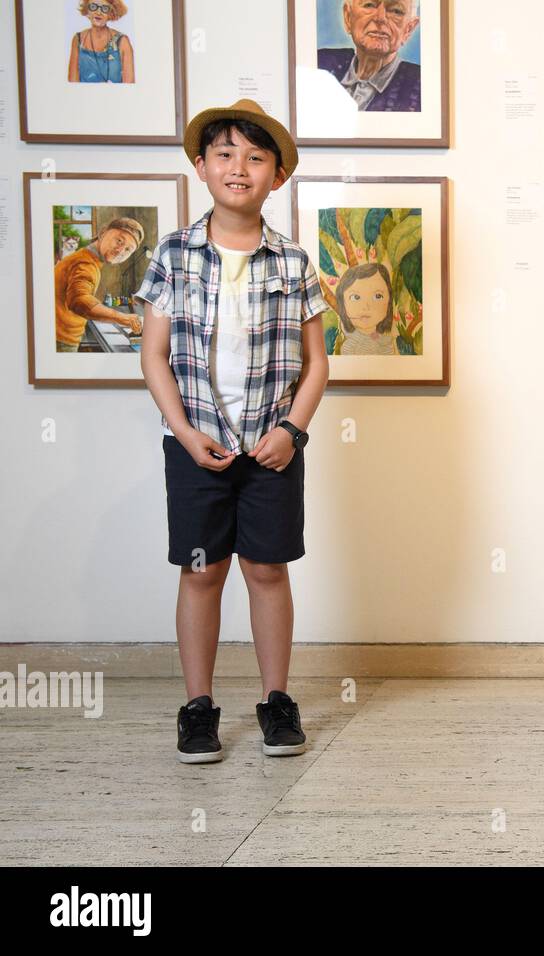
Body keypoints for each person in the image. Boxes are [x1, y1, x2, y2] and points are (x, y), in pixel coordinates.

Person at [135, 100, 329, 763]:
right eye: (224, 154)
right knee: (201, 572)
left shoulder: (294, 262)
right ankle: (198, 708)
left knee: (268, 571)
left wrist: (292, 433)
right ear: (201, 167)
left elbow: (317, 363)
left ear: (277, 175)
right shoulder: (174, 254)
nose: (238, 167)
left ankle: (276, 702)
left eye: (255, 157)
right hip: (195, 447)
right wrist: (186, 435)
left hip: (270, 449)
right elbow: (154, 356)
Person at [54, 217, 145, 351]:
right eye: (119, 240)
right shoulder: (86, 264)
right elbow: (79, 300)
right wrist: (123, 318)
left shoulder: (87, 258)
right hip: (61, 338)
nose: (120, 251)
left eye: (128, 250)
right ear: (103, 233)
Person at [318, 0, 421, 112]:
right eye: (369, 5)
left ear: (408, 30)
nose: (380, 18)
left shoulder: (423, 86)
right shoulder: (319, 63)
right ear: (348, 17)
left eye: (396, 11)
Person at [336, 261, 400, 355]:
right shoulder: (350, 346)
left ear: (389, 301)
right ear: (343, 303)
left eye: (378, 296)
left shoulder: (382, 338)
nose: (365, 307)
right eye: (355, 297)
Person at [67, 0, 135, 84]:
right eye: (93, 7)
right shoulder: (78, 39)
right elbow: (72, 85)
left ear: (111, 13)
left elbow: (129, 87)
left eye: (105, 8)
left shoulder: (122, 41)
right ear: (87, 10)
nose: (98, 12)